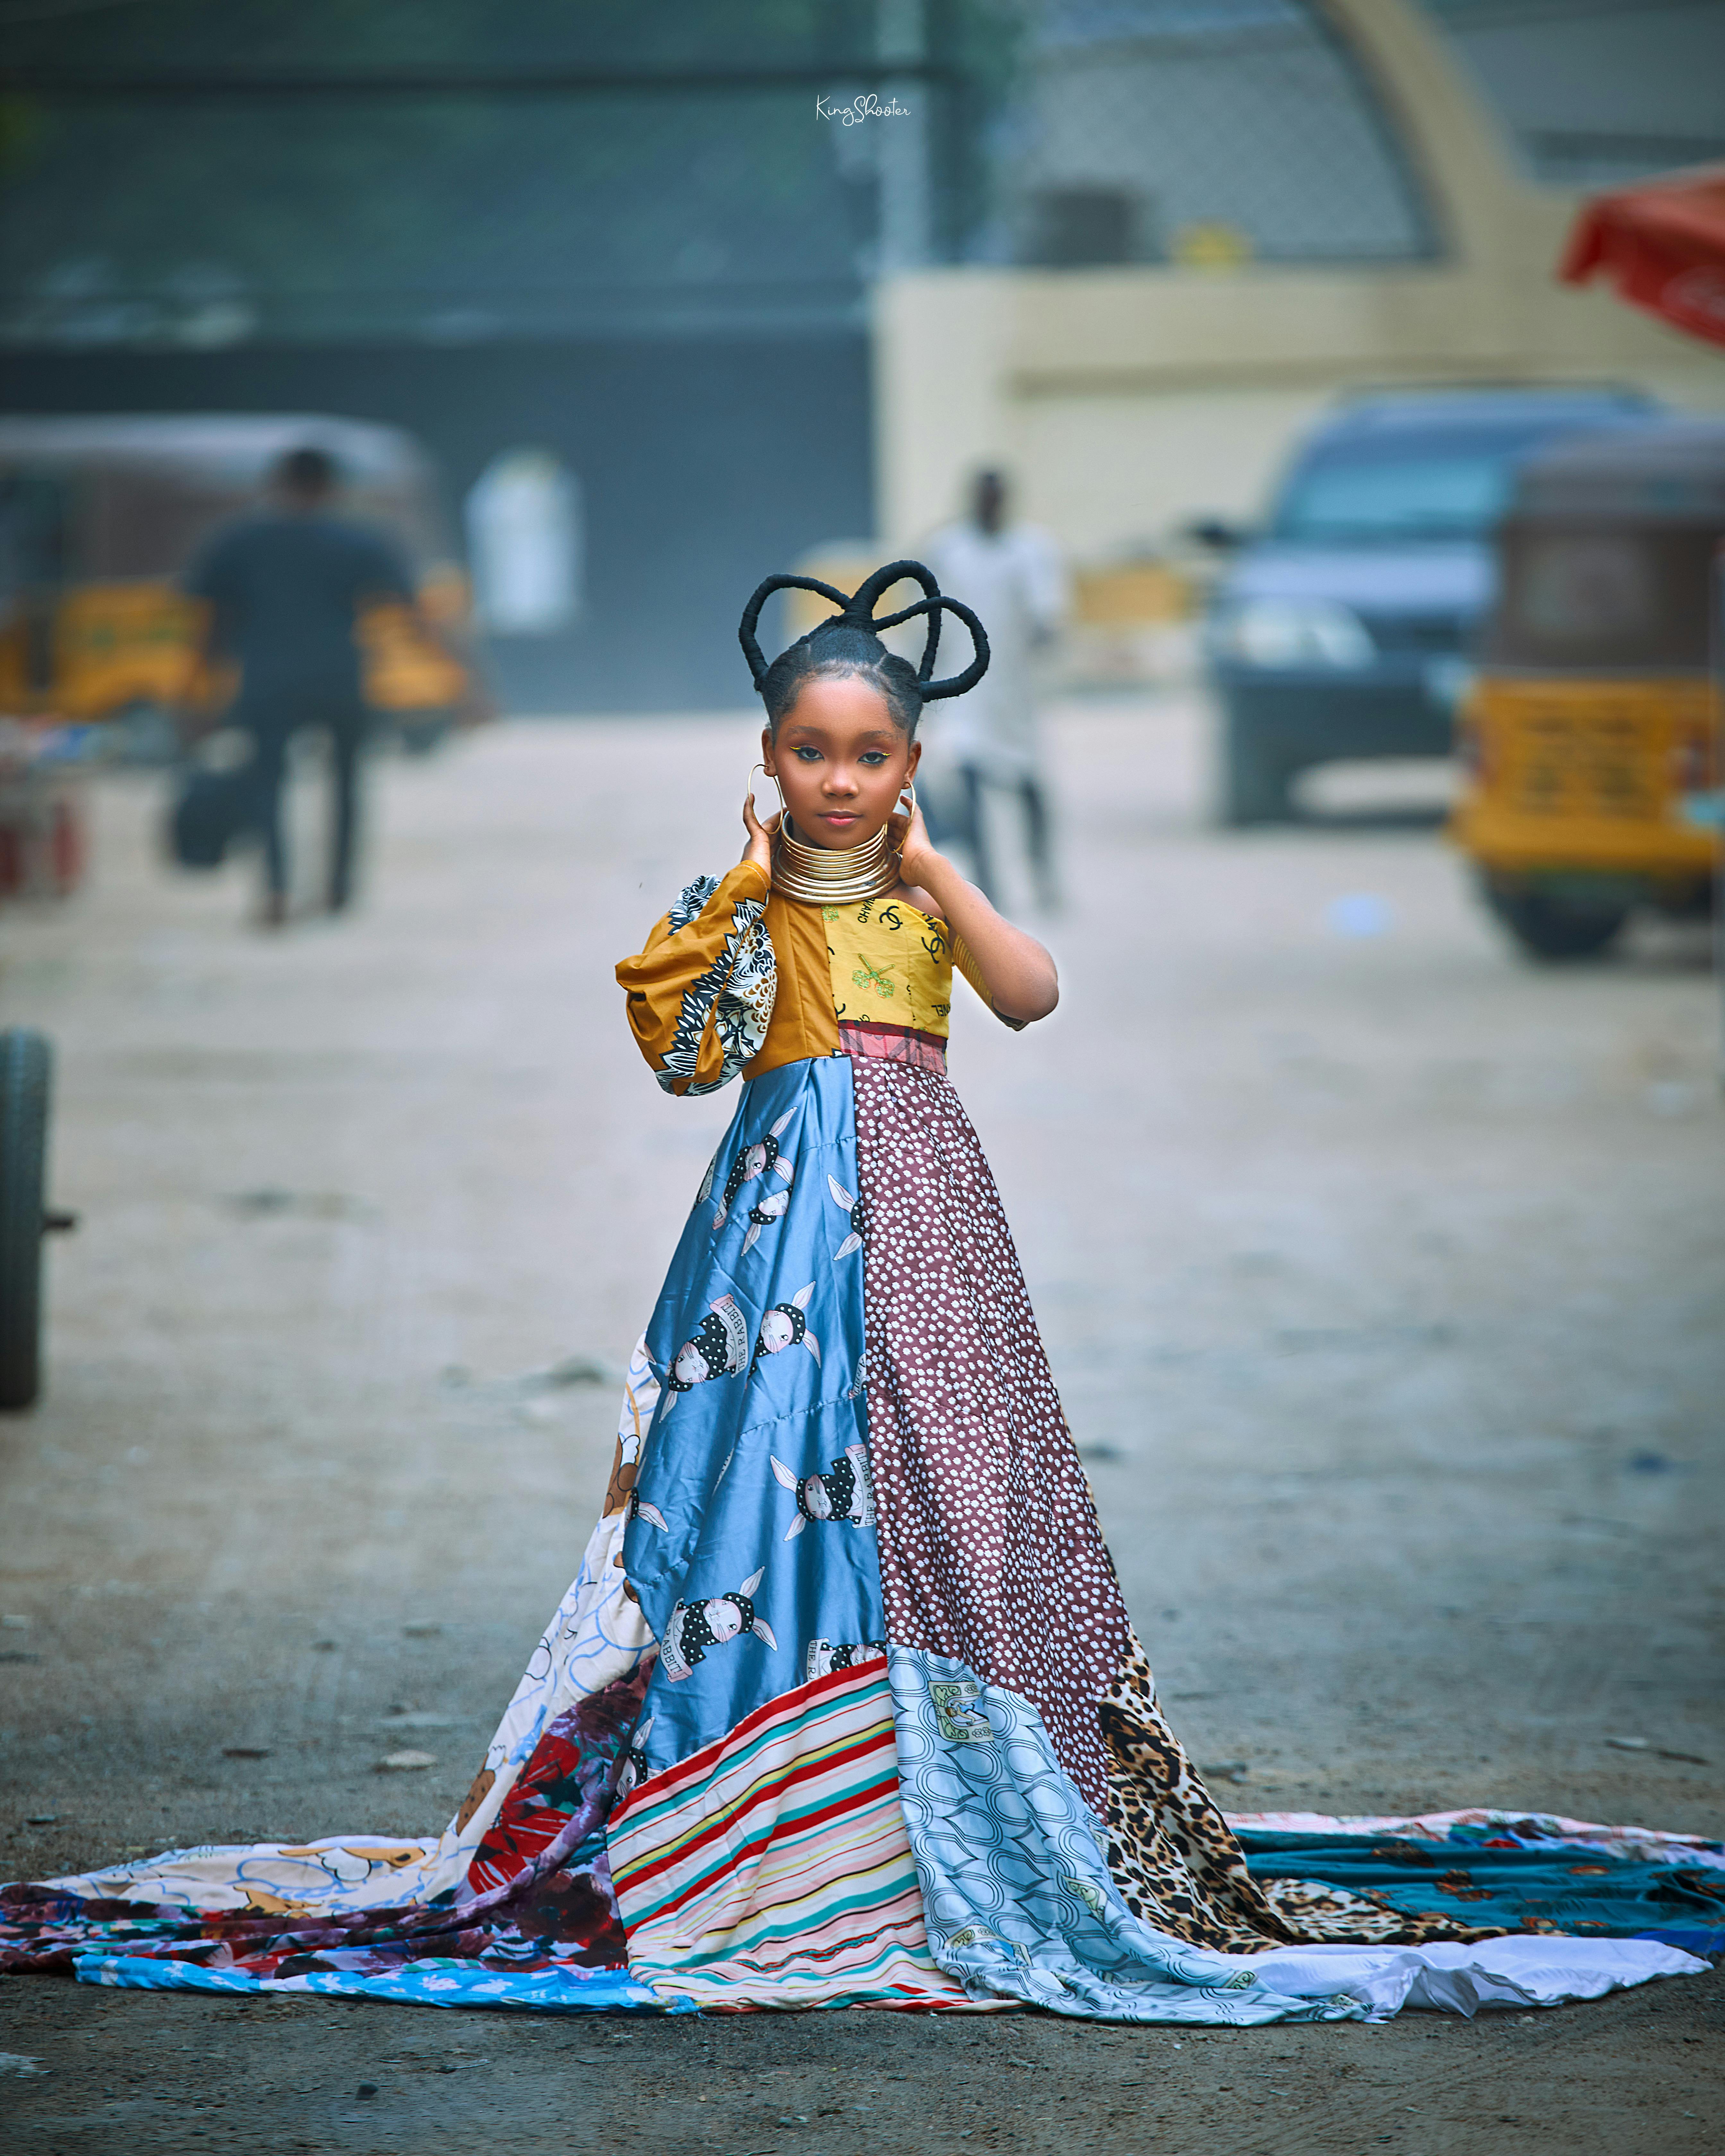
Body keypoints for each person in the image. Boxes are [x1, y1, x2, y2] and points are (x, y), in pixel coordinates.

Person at [1, 566, 1708, 2023]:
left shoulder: (913, 889)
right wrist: (746, 885)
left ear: (910, 760)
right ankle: (770, 1792)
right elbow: (681, 1047)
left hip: (934, 1214)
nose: (836, 778)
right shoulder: (743, 904)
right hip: (774, 1227)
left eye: (866, 754)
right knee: (762, 1478)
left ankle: (938, 1794)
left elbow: (1034, 997)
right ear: (766, 760)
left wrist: (940, 866)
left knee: (955, 1482)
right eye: (809, 753)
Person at [182, 445, 469, 927]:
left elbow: (213, 627)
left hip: (266, 681)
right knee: (347, 784)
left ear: (276, 483)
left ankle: (275, 891)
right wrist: (462, 681)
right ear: (332, 488)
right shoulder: (358, 540)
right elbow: (412, 613)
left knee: (267, 784)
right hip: (339, 679)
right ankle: (338, 891)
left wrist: (193, 695)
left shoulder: (238, 540)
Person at [923, 469, 1067, 910]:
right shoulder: (949, 550)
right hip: (963, 687)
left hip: (1013, 692)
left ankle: (1043, 875)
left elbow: (1049, 613)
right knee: (967, 780)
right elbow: (928, 615)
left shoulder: (1032, 549)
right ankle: (988, 885)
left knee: (1028, 785)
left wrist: (1044, 635)